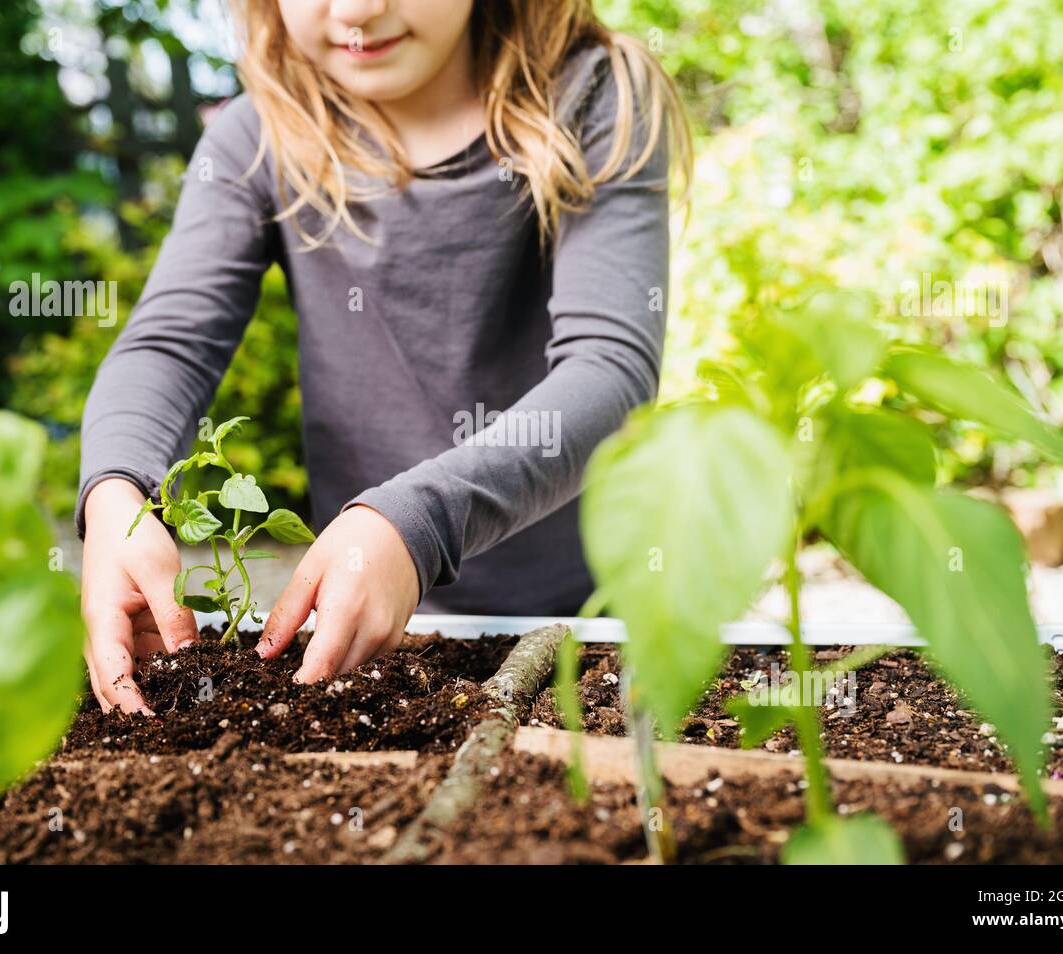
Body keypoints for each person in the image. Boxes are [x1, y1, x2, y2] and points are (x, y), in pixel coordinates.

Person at [78, 0, 690, 713]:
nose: (359, 9)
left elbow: (610, 371)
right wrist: (117, 494)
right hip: (364, 644)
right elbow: (170, 343)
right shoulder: (259, 133)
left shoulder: (595, 95)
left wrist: (419, 521)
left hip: (591, 627)